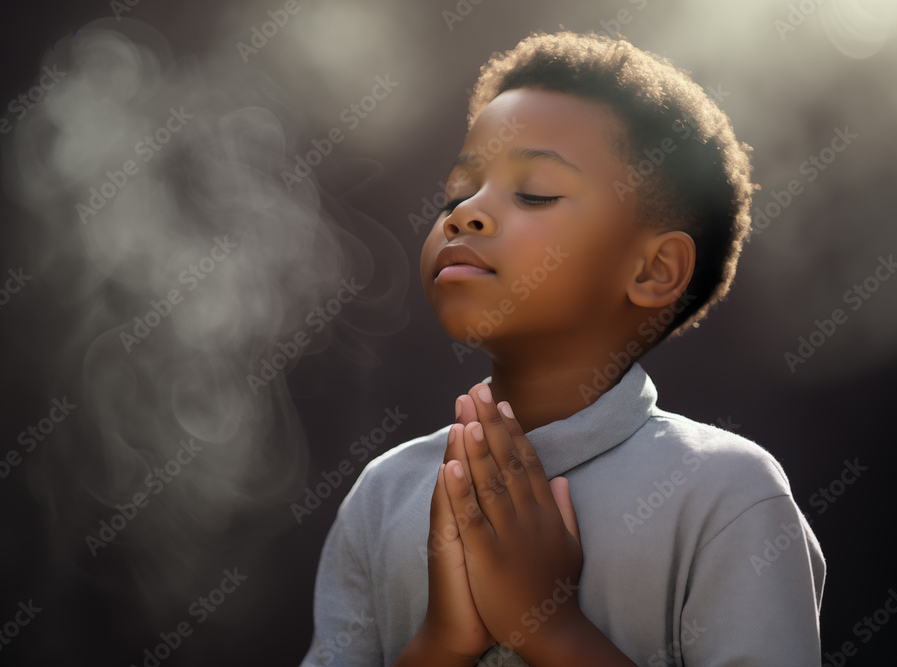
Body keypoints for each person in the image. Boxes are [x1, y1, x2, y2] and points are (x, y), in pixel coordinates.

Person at [300, 28, 825, 666]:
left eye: (536, 193)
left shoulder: (727, 495)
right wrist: (441, 643)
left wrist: (546, 626)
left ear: (654, 270)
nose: (465, 215)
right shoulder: (384, 495)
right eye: (457, 194)